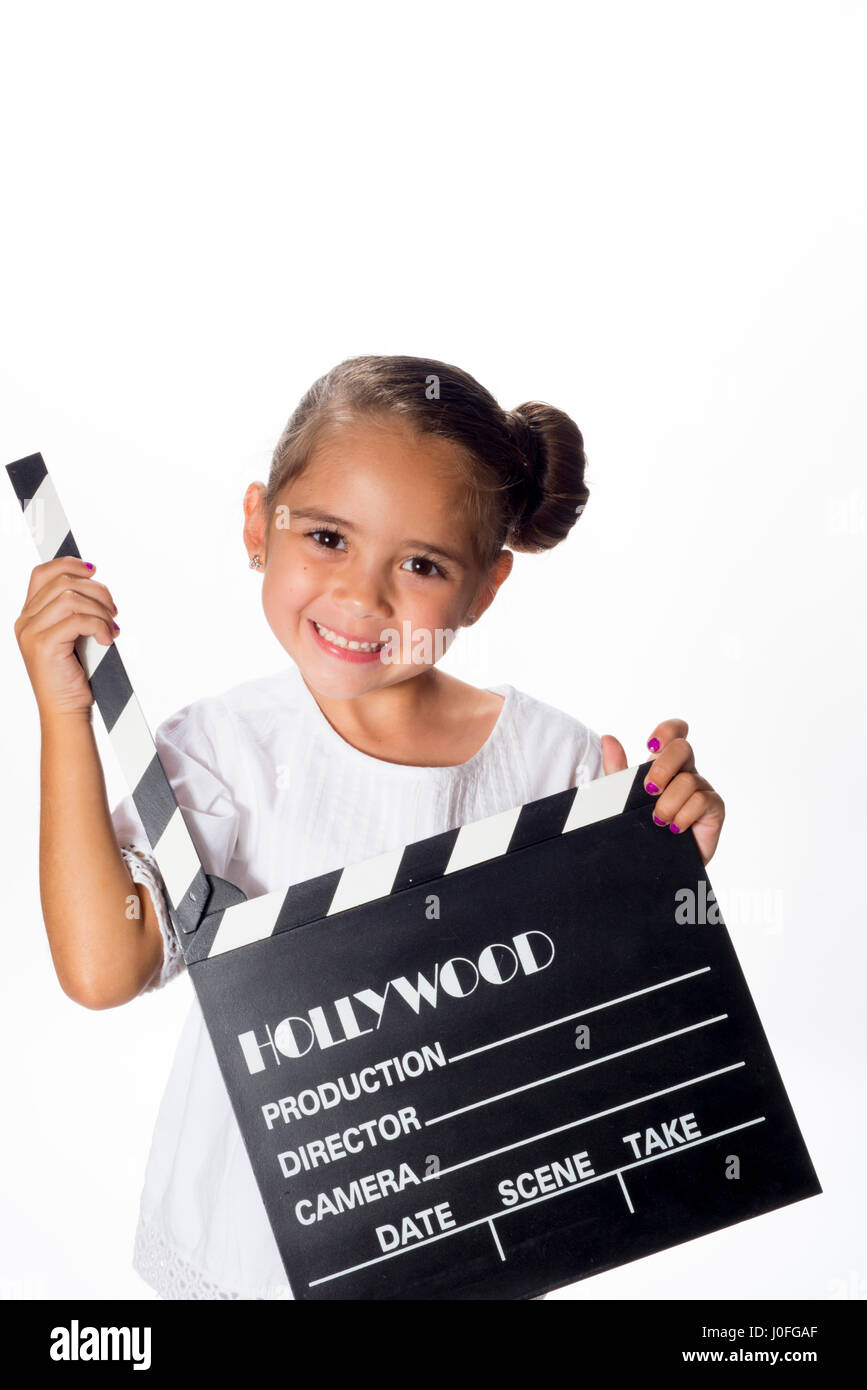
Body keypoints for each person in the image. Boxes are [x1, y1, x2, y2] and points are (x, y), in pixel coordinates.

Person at [14, 354, 725, 1300]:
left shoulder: (552, 763)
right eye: (327, 537)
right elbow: (106, 970)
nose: (362, 597)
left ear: (485, 588)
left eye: (422, 564)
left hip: (458, 1241)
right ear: (256, 523)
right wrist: (66, 716)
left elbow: (598, 1036)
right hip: (244, 1252)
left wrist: (661, 869)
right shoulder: (225, 749)